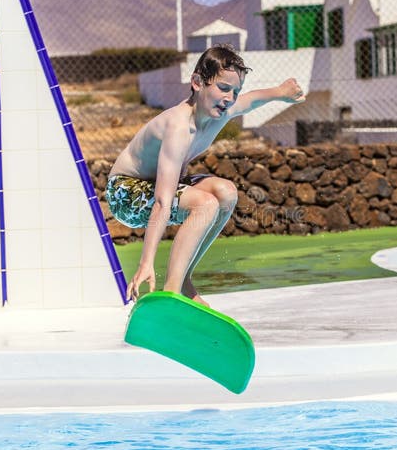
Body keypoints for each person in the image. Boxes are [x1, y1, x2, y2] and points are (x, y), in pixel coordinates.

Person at [105, 45, 305, 304]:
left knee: (226, 193)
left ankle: (184, 279)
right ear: (197, 82)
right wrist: (146, 262)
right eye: (223, 88)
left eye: (235, 91)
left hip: (156, 186)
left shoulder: (222, 111)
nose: (230, 98)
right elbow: (163, 201)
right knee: (205, 204)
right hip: (125, 193)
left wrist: (281, 92)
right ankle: (172, 294)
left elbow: (251, 100)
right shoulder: (179, 127)